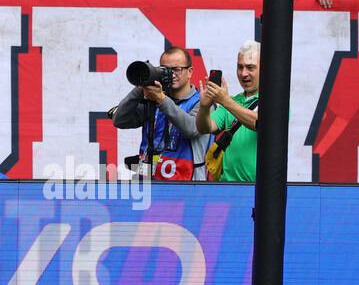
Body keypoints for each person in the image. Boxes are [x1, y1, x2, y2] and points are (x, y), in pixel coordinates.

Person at [111, 46, 207, 180]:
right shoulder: (153, 101)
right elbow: (120, 120)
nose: (171, 74)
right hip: (147, 183)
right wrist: (141, 86)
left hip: (185, 187)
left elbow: (191, 128)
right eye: (165, 70)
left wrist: (161, 99)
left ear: (189, 72)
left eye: (177, 69)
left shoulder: (202, 102)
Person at [198, 41, 261, 183]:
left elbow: (257, 122)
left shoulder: (275, 101)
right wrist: (204, 107)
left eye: (250, 67)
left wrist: (225, 100)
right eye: (240, 67)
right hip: (225, 186)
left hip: (259, 190)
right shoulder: (233, 101)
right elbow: (204, 128)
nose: (244, 73)